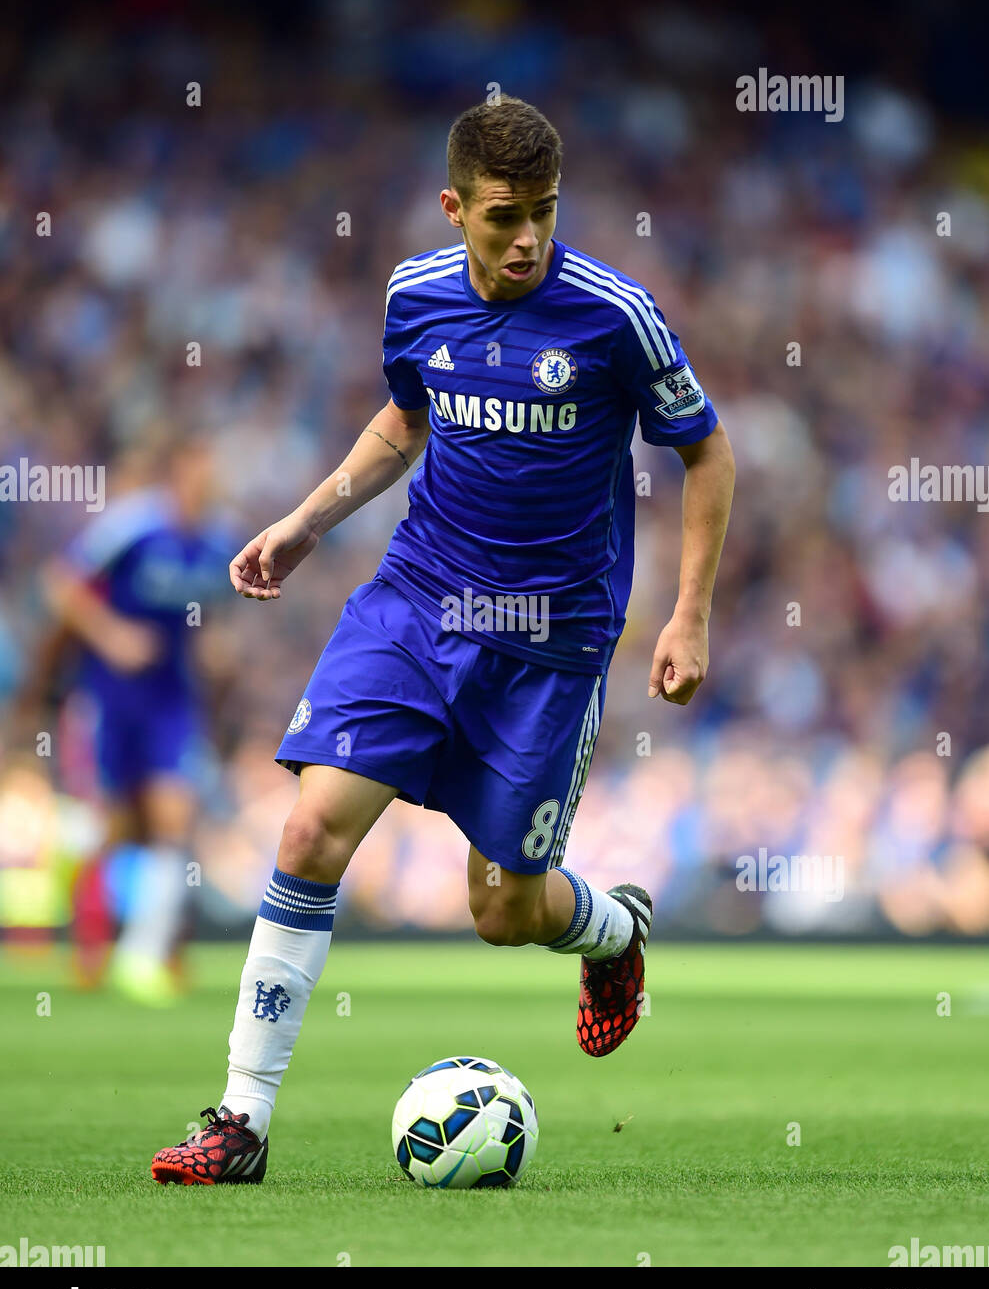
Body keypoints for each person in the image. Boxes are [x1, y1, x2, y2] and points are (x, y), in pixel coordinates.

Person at [151, 96, 734, 1185]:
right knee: (310, 832)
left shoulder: (614, 314)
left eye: (546, 214)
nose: (528, 239)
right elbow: (406, 421)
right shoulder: (413, 294)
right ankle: (240, 1123)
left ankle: (610, 931)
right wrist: (305, 521)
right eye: (505, 216)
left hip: (550, 645)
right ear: (452, 207)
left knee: (501, 910)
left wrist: (687, 610)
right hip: (416, 603)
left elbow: (706, 453)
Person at [43, 436, 235, 1004]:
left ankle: (144, 956)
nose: (208, 483)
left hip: (172, 700)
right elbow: (60, 583)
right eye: (199, 470)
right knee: (119, 828)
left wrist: (216, 650)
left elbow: (211, 611)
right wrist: (112, 636)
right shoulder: (133, 525)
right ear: (176, 474)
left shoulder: (218, 540)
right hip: (111, 695)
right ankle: (79, 877)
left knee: (174, 816)